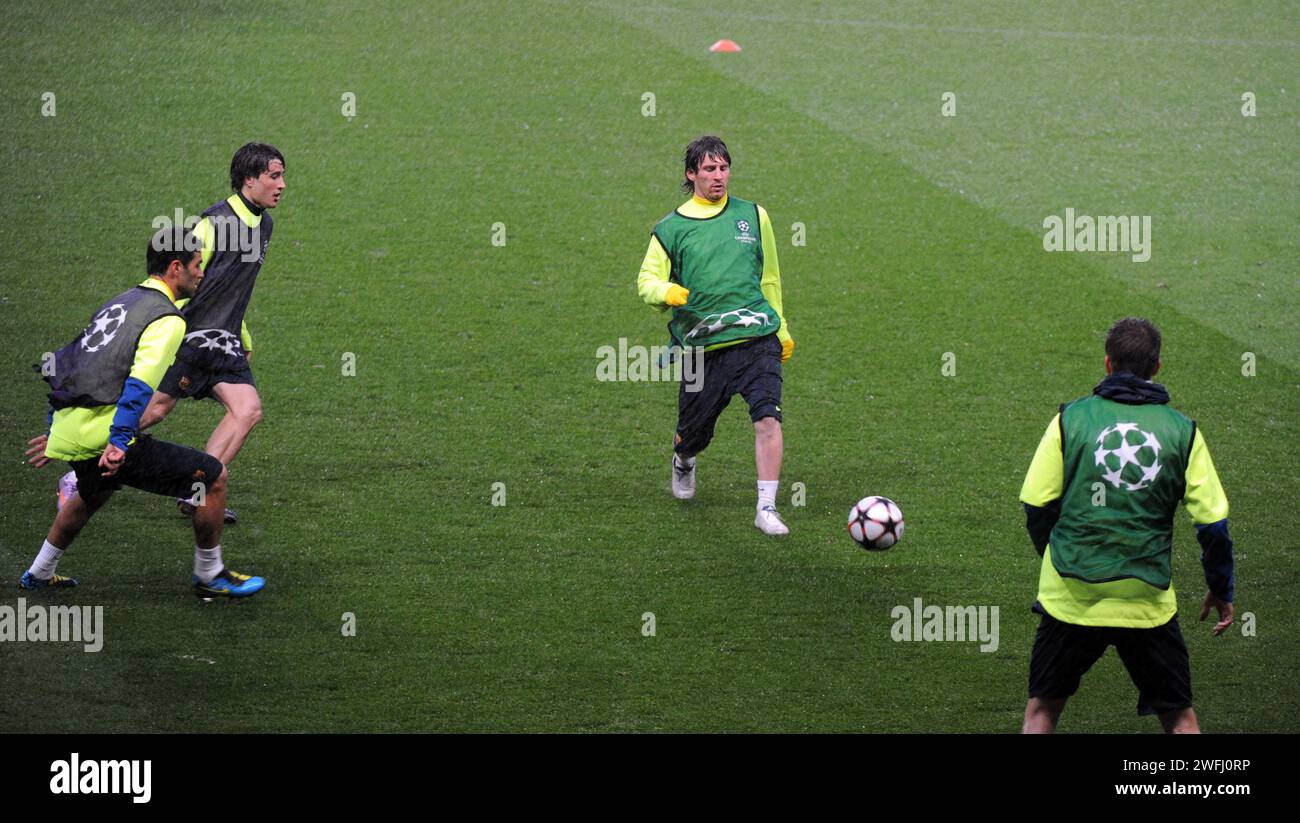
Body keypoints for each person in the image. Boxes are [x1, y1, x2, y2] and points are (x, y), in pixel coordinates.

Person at [1018, 317, 1234, 733]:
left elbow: (1036, 505)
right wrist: (1221, 588)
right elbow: (1213, 525)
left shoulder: (1069, 420)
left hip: (1071, 598)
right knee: (1179, 718)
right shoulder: (1183, 433)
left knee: (1042, 712)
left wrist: (1060, 554)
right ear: (1157, 367)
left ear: (1106, 363)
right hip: (1146, 603)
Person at [22, 229, 265, 599]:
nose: (202, 273)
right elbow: (140, 387)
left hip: (74, 428)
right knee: (212, 478)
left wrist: (57, 426)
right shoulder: (167, 320)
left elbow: (66, 362)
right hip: (108, 435)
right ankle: (209, 574)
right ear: (175, 267)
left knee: (94, 490)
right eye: (197, 265)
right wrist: (119, 442)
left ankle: (40, 571)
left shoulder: (120, 302)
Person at [56, 142, 286, 525]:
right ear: (249, 180)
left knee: (247, 411)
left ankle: (197, 490)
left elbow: (235, 287)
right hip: (188, 337)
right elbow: (177, 279)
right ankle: (75, 474)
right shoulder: (212, 224)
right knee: (156, 409)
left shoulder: (264, 225)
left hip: (223, 341)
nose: (282, 185)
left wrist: (241, 336)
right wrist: (159, 327)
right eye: (274, 176)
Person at [637, 135, 795, 535]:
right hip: (702, 349)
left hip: (757, 337)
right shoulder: (670, 229)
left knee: (768, 418)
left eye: (724, 168)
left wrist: (783, 329)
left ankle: (766, 507)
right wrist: (666, 291)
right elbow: (646, 281)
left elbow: (769, 278)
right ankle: (684, 458)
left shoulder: (753, 216)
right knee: (694, 432)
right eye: (709, 169)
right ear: (691, 174)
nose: (719, 176)